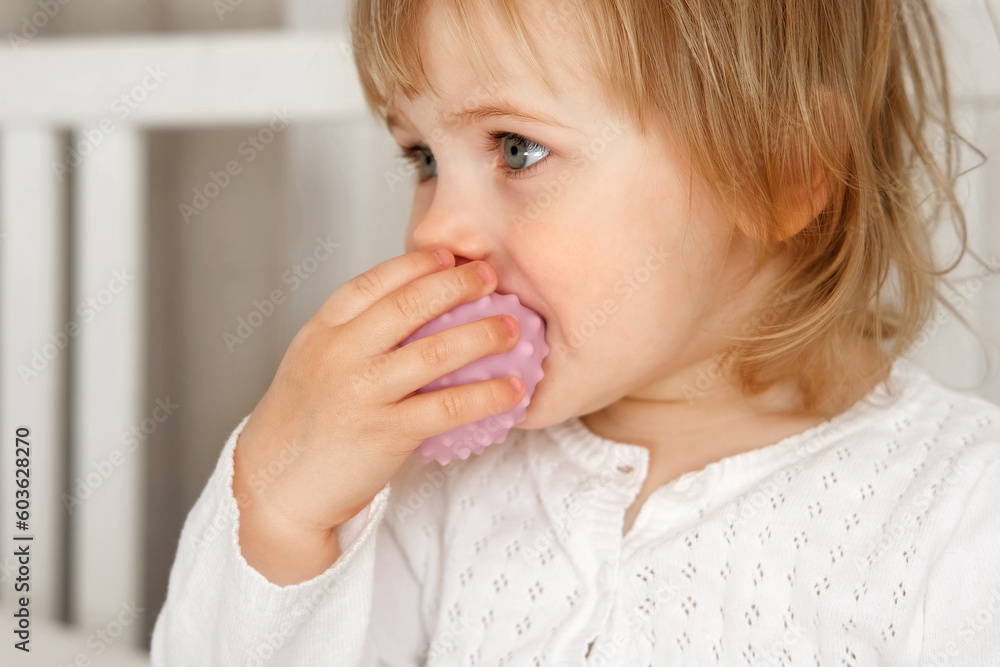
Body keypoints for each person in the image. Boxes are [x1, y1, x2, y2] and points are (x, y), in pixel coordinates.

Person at [150, 0, 1000, 664]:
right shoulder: (429, 487)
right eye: (423, 159)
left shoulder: (958, 511)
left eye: (517, 150)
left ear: (781, 171)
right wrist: (280, 509)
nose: (437, 229)